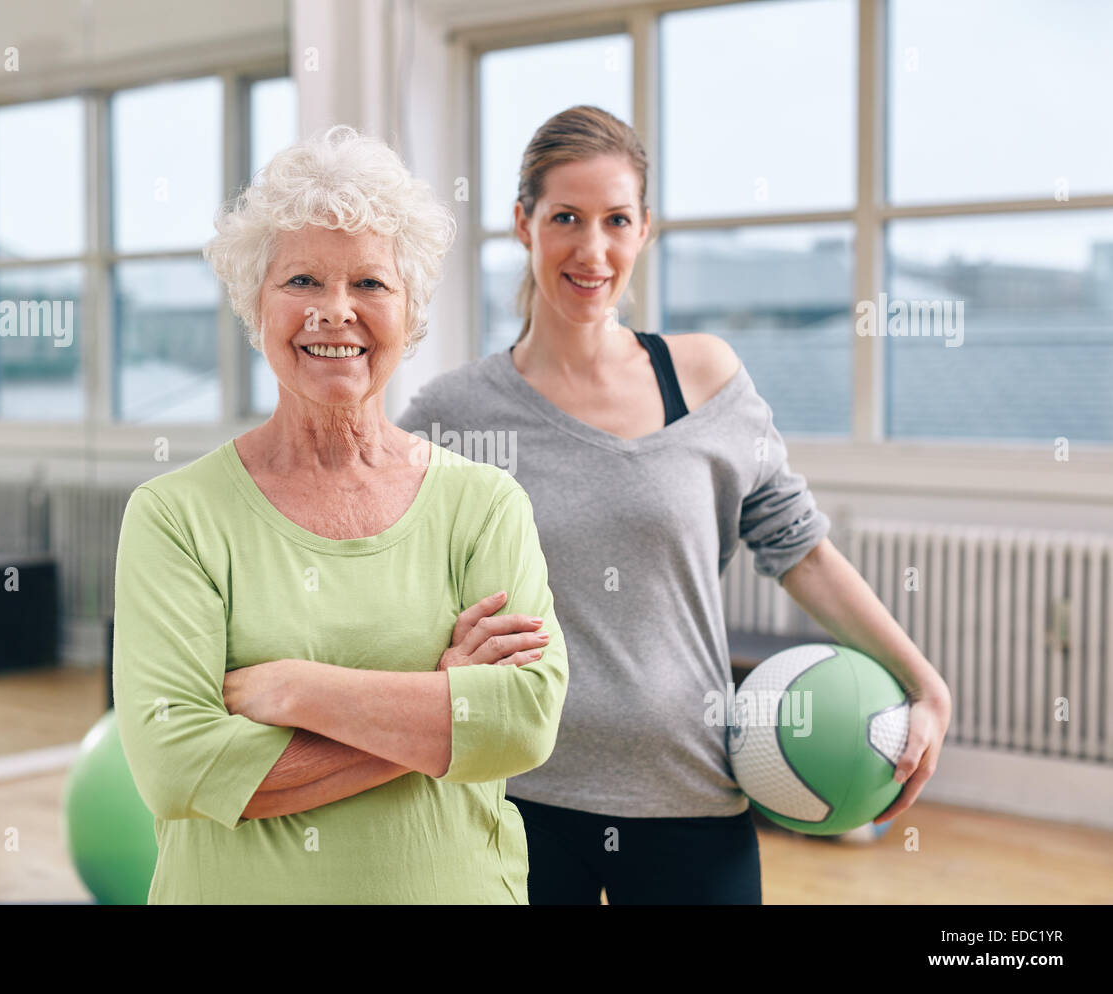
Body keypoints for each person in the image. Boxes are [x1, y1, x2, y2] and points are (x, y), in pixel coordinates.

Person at [396, 105, 952, 905]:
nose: (593, 250)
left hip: (691, 791)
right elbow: (383, 556)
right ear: (523, 224)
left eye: (616, 220)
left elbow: (801, 550)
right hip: (514, 803)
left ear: (645, 229)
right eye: (566, 219)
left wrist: (924, 683)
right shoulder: (457, 412)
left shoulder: (707, 380)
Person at [111, 124, 569, 904]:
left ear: (411, 309)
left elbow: (521, 722)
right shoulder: (175, 517)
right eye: (301, 282)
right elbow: (179, 768)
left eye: (370, 284)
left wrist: (297, 691)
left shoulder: (483, 505)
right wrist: (440, 701)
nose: (334, 312)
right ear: (256, 304)